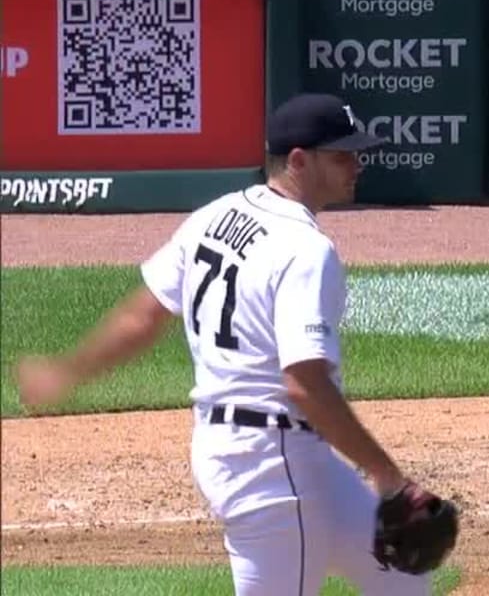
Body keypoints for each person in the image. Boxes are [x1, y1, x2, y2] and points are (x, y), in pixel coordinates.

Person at [14, 92, 458, 593]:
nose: (358, 164)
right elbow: (305, 383)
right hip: (270, 465)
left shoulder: (216, 215)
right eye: (342, 154)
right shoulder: (306, 251)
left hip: (262, 450)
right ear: (298, 160)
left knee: (400, 583)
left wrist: (67, 370)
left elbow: (143, 315)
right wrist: (389, 478)